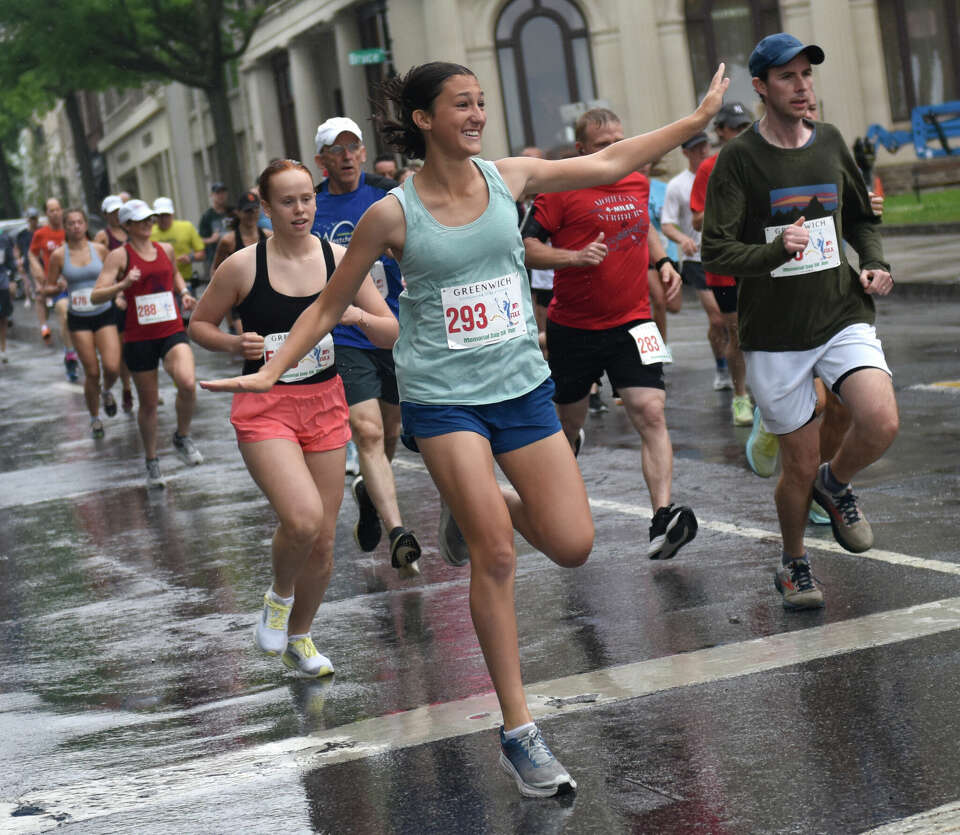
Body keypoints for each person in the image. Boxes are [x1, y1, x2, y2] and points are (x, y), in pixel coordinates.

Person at [201, 60, 728, 797]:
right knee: (497, 557)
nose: (478, 114)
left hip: (520, 389)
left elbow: (611, 159)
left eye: (481, 102)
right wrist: (268, 370)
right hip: (444, 398)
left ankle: (474, 501)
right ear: (424, 119)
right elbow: (326, 305)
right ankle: (519, 730)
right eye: (462, 104)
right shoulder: (393, 212)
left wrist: (696, 120)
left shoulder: (509, 178)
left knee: (573, 543)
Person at [701, 34, 898, 611]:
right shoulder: (738, 161)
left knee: (881, 420)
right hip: (776, 335)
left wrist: (876, 263)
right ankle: (794, 561)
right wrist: (772, 252)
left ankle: (835, 488)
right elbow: (715, 251)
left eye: (807, 75)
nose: (802, 86)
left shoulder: (831, 142)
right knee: (798, 466)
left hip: (840, 313)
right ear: (761, 87)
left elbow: (861, 220)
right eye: (787, 77)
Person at [189, 159, 398, 676]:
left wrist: (356, 315)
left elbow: (389, 331)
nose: (301, 209)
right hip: (266, 408)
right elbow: (199, 325)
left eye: (307, 198)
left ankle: (300, 637)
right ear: (265, 206)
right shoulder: (242, 266)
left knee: (323, 542)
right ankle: (278, 598)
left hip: (324, 401)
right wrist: (234, 342)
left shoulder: (340, 259)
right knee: (302, 518)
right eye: (288, 201)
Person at [522, 106, 698, 560]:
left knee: (650, 410)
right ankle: (554, 490)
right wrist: (573, 259)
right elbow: (525, 248)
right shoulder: (559, 187)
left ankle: (662, 518)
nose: (615, 150)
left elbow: (643, 226)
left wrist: (661, 263)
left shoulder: (635, 181)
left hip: (633, 321)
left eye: (619, 140)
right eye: (604, 145)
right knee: (567, 423)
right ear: (582, 149)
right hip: (573, 327)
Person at [312, 116, 422, 578]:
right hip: (345, 333)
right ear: (323, 160)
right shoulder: (311, 208)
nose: (347, 156)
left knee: (391, 430)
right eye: (337, 150)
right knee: (369, 432)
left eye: (353, 146)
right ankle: (399, 533)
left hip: (395, 328)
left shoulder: (387, 195)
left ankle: (371, 498)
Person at [90, 199, 204, 487]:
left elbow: (174, 274)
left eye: (149, 218)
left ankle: (182, 436)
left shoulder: (164, 249)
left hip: (171, 328)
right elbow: (96, 295)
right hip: (139, 337)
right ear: (127, 225)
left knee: (188, 383)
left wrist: (184, 292)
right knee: (149, 404)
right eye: (141, 220)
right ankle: (152, 461)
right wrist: (123, 284)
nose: (148, 223)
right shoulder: (119, 256)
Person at [691, 102, 756, 426]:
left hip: (761, 259)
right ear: (720, 131)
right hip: (725, 265)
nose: (742, 133)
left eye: (745, 126)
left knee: (768, 330)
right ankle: (741, 396)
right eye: (735, 128)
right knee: (738, 334)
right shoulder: (708, 168)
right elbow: (698, 218)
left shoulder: (761, 159)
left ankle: (767, 393)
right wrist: (730, 204)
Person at [661, 131, 730, 390]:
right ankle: (722, 367)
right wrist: (682, 240)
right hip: (697, 260)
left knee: (733, 321)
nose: (703, 151)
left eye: (705, 146)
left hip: (726, 255)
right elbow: (667, 224)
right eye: (696, 148)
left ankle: (736, 365)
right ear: (685, 152)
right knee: (717, 319)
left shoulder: (724, 173)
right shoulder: (677, 185)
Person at [46, 209, 120, 437]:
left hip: (104, 312)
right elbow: (47, 287)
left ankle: (106, 392)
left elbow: (113, 276)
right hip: (79, 317)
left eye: (79, 222)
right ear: (65, 228)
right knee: (92, 372)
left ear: (86, 225)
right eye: (71, 223)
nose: (76, 226)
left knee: (112, 366)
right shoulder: (59, 255)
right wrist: (57, 288)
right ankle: (95, 418)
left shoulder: (99, 250)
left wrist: (119, 294)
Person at [94, 194, 135, 413]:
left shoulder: (133, 230)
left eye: (119, 211)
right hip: (115, 296)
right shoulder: (103, 236)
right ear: (106, 215)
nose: (116, 216)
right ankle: (126, 387)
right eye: (112, 213)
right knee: (122, 346)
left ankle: (143, 387)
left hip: (135, 292)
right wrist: (115, 294)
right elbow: (99, 271)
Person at [30, 198, 79, 380]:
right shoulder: (41, 234)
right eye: (51, 210)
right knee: (64, 311)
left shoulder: (73, 229)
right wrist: (39, 275)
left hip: (78, 283)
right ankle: (70, 355)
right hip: (57, 285)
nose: (56, 213)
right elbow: (32, 255)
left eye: (58, 209)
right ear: (46, 213)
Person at [151, 197, 205, 298]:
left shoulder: (186, 227)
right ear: (155, 216)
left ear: (172, 214)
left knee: (189, 312)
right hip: (160, 284)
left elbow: (201, 253)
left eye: (166, 215)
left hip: (185, 280)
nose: (163, 219)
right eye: (159, 216)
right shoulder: (149, 232)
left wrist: (190, 258)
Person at [198, 182, 230, 281]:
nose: (221, 195)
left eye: (223, 192)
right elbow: (199, 240)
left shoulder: (233, 212)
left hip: (234, 256)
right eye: (218, 193)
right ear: (212, 195)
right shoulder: (207, 216)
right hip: (215, 260)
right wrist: (211, 239)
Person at [14, 208, 40, 309]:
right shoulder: (22, 234)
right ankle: (28, 298)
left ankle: (45, 298)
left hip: (39, 260)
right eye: (31, 219)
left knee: (40, 280)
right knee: (27, 282)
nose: (33, 221)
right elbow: (17, 249)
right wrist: (19, 260)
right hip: (27, 260)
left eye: (35, 218)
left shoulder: (41, 231)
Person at [0, 230, 13, 362]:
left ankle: (3, 349)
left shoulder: (3, 238)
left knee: (2, 318)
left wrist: (13, 279)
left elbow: (10, 260)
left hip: (2, 283)